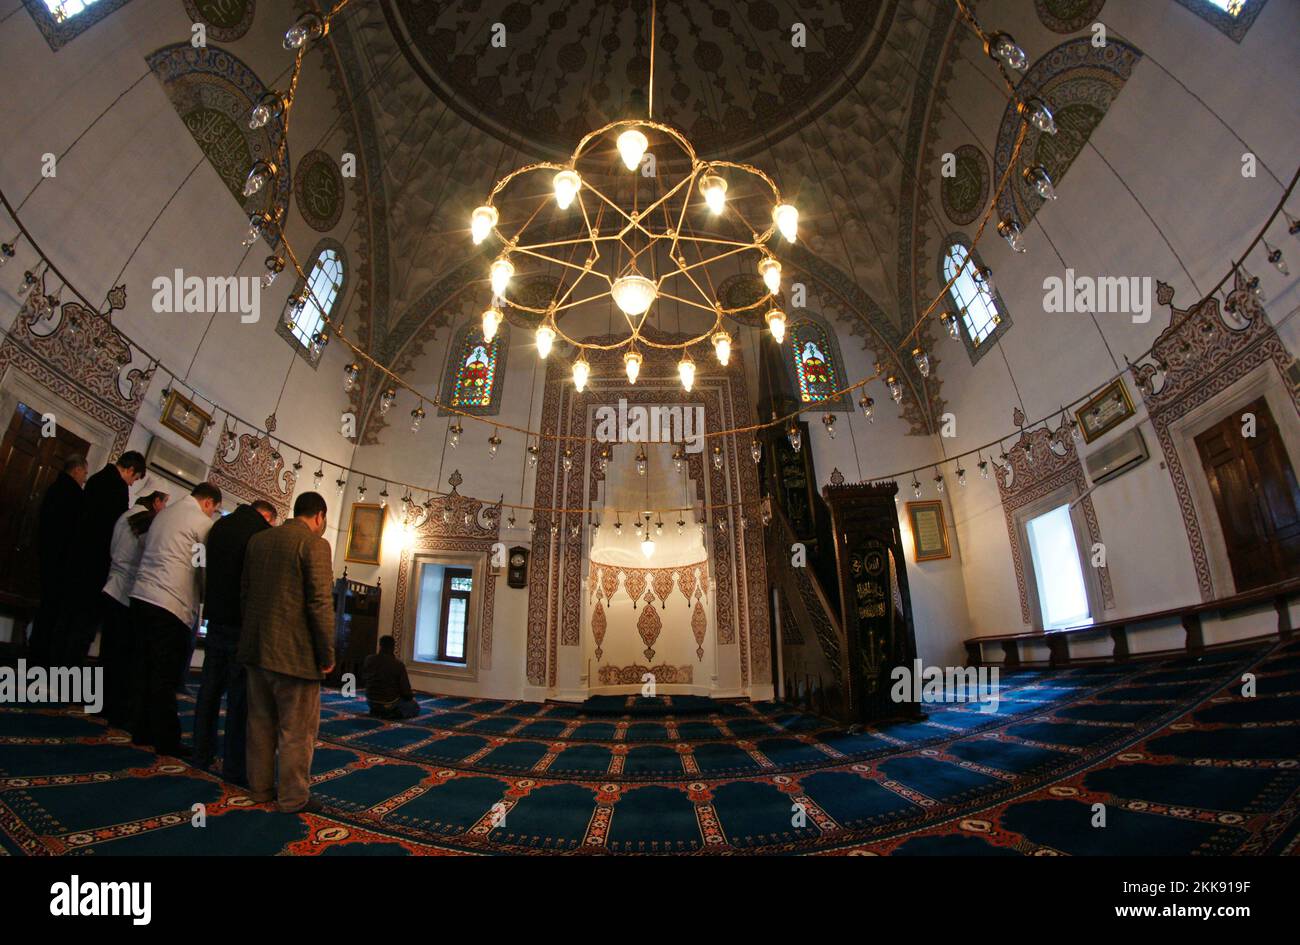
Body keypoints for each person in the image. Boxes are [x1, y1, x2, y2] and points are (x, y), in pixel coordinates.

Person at [239, 492, 334, 814]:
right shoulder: (315, 545)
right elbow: (320, 603)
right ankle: (293, 798)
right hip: (296, 658)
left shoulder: (259, 540)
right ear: (319, 516)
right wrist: (327, 653)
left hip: (256, 649)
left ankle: (260, 789)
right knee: (297, 732)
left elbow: (246, 593)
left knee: (260, 723)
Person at [128, 482, 222, 757]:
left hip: (141, 597)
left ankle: (141, 730)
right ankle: (166, 740)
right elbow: (202, 567)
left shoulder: (165, 514)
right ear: (208, 503)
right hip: (169, 603)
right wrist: (206, 598)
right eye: (214, 510)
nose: (213, 515)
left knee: (144, 669)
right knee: (165, 675)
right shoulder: (200, 523)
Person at [192, 500, 277, 784]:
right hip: (241, 625)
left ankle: (201, 752)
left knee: (209, 690)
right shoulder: (260, 533)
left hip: (215, 618)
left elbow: (203, 569)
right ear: (266, 516)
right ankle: (233, 767)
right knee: (239, 699)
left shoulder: (218, 526)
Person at [63, 451, 146, 666]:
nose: (131, 484)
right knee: (84, 623)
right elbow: (110, 531)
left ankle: (60, 665)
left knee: (73, 618)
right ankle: (70, 672)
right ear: (129, 470)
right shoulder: (116, 488)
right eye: (134, 479)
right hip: (95, 563)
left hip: (79, 556)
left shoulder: (96, 479)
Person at [100, 490, 169, 727]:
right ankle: (115, 709)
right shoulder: (144, 523)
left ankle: (101, 703)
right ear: (156, 502)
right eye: (164, 504)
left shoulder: (126, 516)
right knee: (121, 656)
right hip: (125, 592)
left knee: (107, 653)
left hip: (111, 586)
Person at [31, 455, 87, 665]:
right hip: (62, 562)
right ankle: (43, 657)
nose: (84, 478)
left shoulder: (54, 489)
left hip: (48, 556)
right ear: (77, 470)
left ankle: (37, 652)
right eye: (84, 473)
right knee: (52, 611)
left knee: (46, 607)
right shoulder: (72, 495)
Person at [363, 636, 419, 720]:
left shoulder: (369, 659)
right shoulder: (398, 664)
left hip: (370, 700)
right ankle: (391, 714)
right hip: (389, 703)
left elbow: (364, 678)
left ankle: (377, 711)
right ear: (393, 647)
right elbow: (405, 691)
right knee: (414, 707)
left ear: (380, 645)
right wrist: (411, 697)